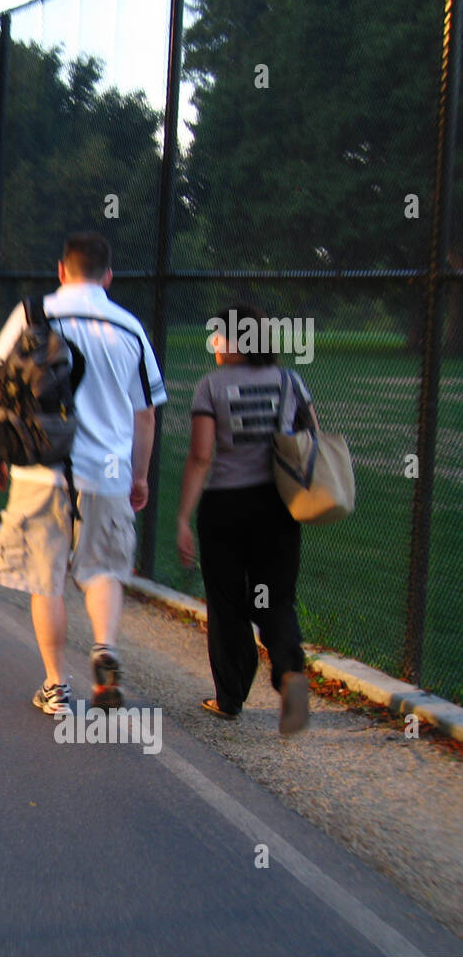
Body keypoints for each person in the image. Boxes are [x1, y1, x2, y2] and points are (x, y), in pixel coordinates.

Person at [0, 232, 166, 715]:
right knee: (103, 569)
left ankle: (56, 686)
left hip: (40, 467)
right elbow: (145, 413)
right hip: (107, 472)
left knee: (47, 578)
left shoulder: (32, 313)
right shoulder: (130, 328)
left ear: (62, 270)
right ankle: (104, 650)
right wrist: (139, 476)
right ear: (108, 276)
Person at [175, 302, 314, 734]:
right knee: (275, 598)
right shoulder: (290, 381)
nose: (213, 343)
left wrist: (183, 516)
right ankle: (290, 671)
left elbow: (201, 456)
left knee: (228, 601)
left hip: (225, 508)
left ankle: (229, 696)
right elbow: (310, 440)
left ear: (237, 343)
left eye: (219, 335)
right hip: (278, 506)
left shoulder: (211, 386)